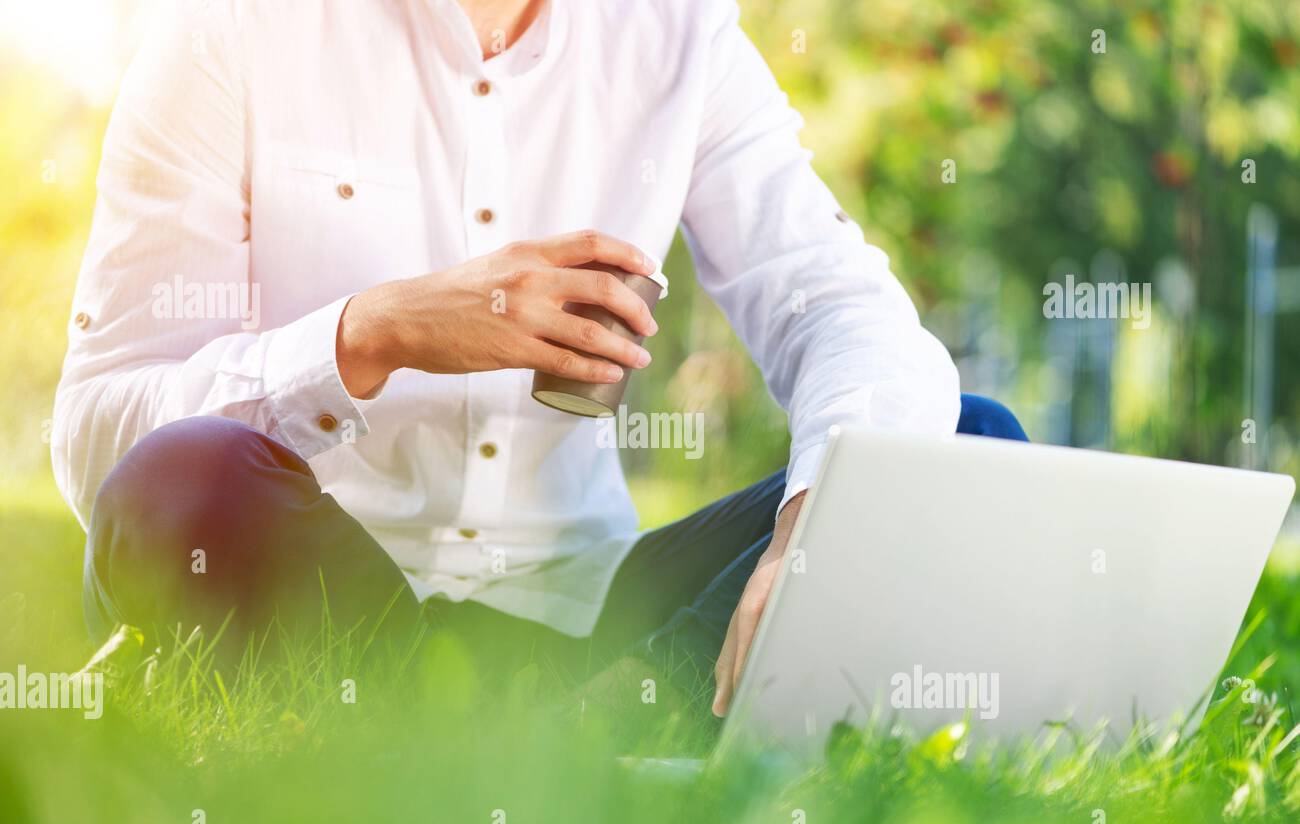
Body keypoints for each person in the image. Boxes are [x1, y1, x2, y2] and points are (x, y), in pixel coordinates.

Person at [52, 0, 1027, 717]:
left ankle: (601, 719)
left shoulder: (678, 37)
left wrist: (813, 538)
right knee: (182, 482)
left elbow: (841, 308)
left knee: (958, 447)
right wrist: (372, 332)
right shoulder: (229, 31)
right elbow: (102, 437)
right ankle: (555, 743)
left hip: (596, 619)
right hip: (324, 600)